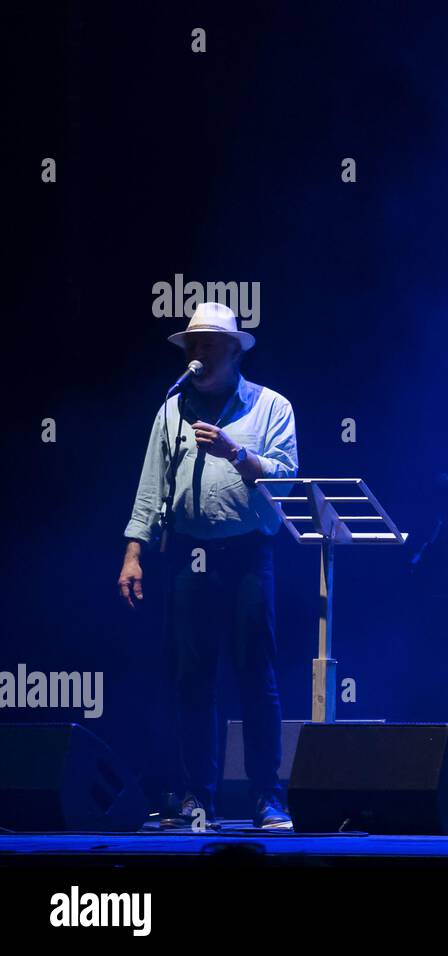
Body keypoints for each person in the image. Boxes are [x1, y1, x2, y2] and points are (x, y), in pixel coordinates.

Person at [118, 302, 298, 830]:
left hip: (247, 552)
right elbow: (152, 485)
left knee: (255, 676)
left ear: (234, 351)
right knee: (193, 679)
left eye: (209, 344)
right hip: (188, 555)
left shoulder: (271, 406)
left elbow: (286, 480)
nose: (197, 352)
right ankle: (198, 796)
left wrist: (236, 453)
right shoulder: (172, 406)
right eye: (191, 344)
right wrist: (134, 553)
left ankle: (268, 796)